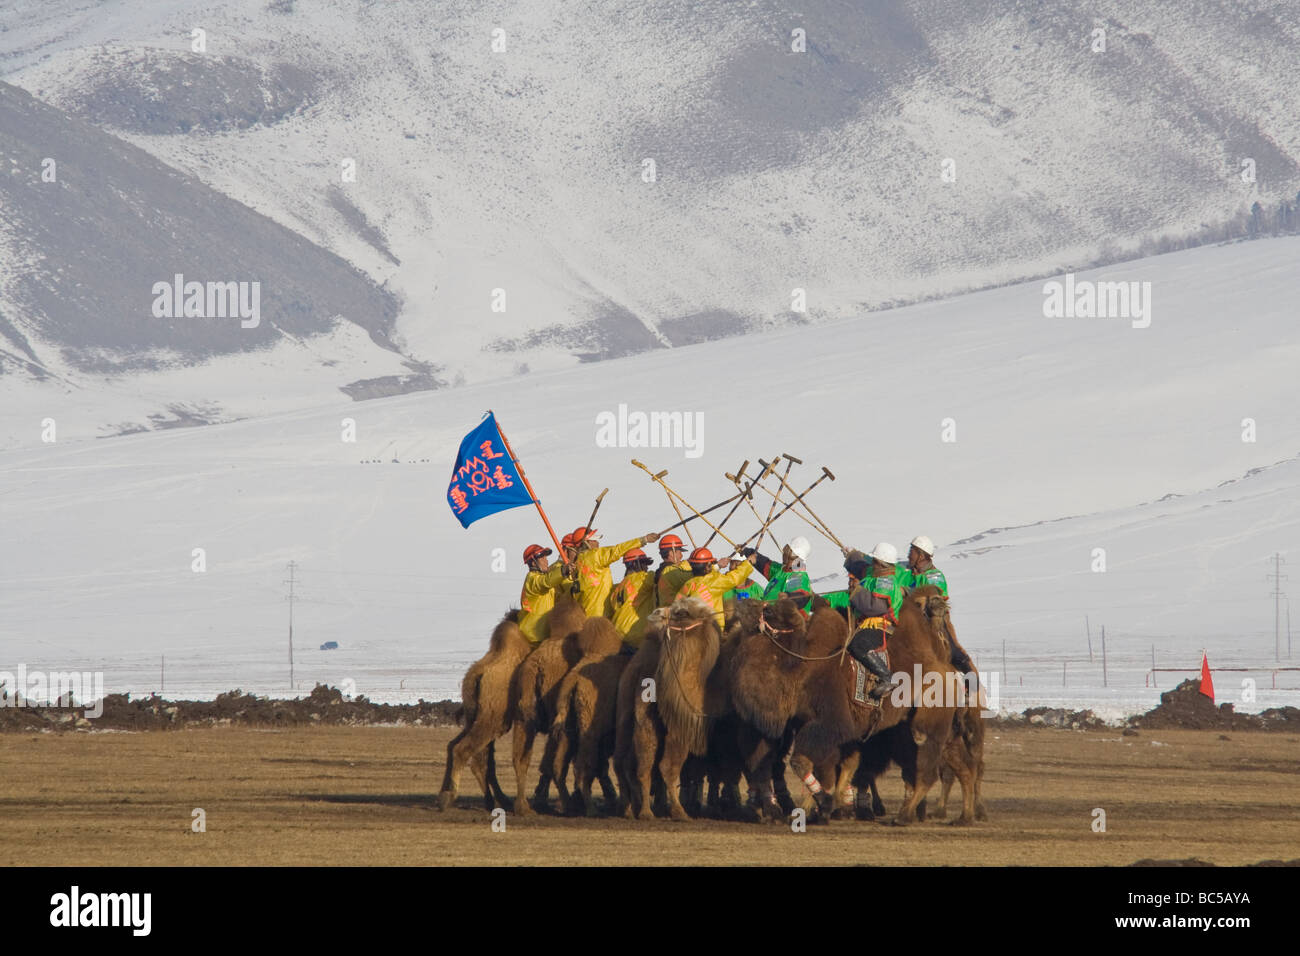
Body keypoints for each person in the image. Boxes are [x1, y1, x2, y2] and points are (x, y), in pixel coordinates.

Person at [844, 543, 906, 700]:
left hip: (880, 627)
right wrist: (852, 555)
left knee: (858, 645)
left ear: (881, 563)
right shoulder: (873, 575)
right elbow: (861, 568)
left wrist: (857, 591)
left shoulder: (887, 581)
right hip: (864, 624)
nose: (872, 563)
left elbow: (876, 606)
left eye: (874, 561)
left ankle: (886, 677)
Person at [570, 526, 661, 618]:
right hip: (599, 615)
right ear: (586, 542)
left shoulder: (576, 564)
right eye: (594, 540)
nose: (597, 542)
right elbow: (617, 550)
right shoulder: (594, 556)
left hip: (584, 614)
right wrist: (643, 540)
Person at [673, 547, 755, 629]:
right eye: (711, 563)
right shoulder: (715, 582)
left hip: (690, 627)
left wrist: (718, 565)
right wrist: (748, 563)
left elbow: (676, 604)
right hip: (712, 628)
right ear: (708, 566)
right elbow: (734, 578)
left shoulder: (689, 584)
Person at [517, 544, 570, 645]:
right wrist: (563, 571)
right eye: (542, 558)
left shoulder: (545, 582)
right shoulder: (532, 579)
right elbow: (546, 581)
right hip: (532, 637)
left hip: (543, 635)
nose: (546, 561)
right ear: (533, 562)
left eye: (546, 557)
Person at [741, 535, 812, 610]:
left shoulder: (797, 576)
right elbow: (765, 564)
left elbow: (802, 597)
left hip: (783, 618)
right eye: (786, 552)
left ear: (799, 560)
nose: (785, 556)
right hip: (768, 613)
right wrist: (746, 552)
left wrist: (788, 596)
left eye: (790, 556)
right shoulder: (781, 570)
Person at [606, 548, 656, 650]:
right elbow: (663, 577)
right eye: (644, 563)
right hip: (635, 634)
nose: (646, 567)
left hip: (617, 633)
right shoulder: (641, 578)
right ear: (634, 564)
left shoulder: (618, 587)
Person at [653, 533, 694, 607]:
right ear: (671, 553)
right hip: (675, 613)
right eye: (679, 551)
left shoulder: (660, 571)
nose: (681, 555)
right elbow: (696, 578)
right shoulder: (670, 571)